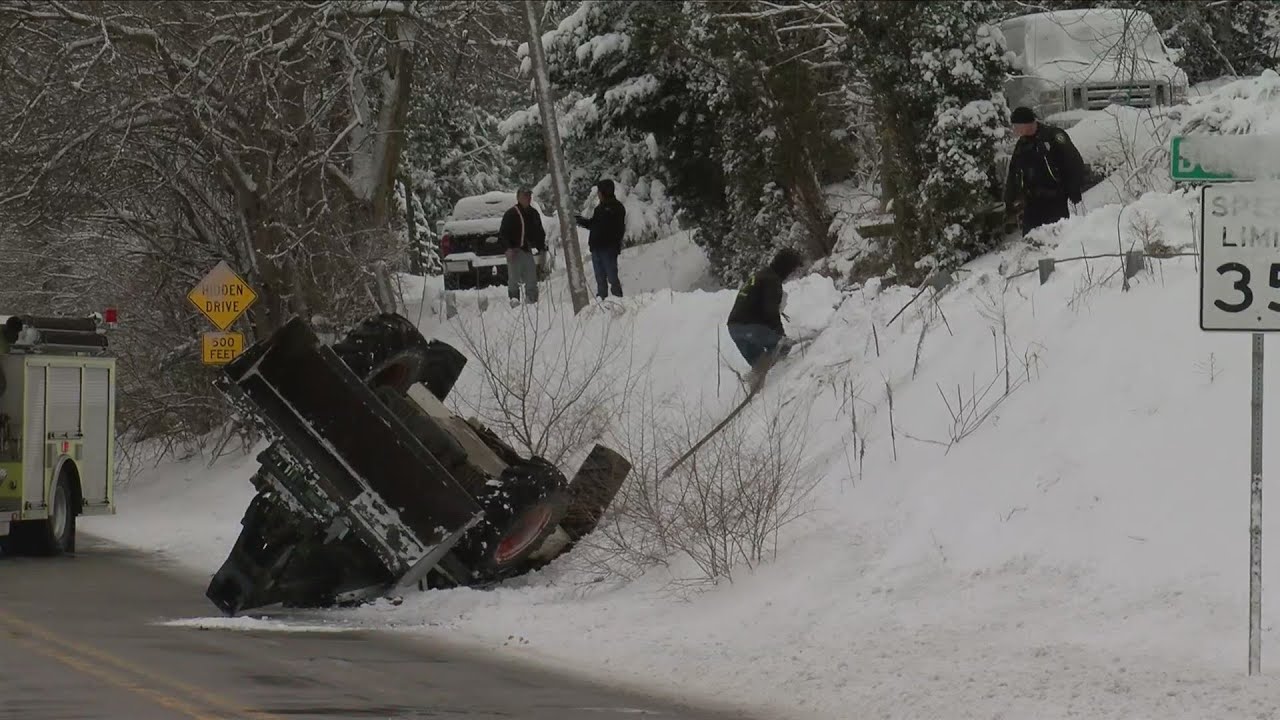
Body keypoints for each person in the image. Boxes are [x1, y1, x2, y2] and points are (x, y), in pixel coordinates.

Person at [1003, 106, 1086, 236]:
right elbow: (1014, 172)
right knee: (1031, 239)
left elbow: (1073, 162)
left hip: (1055, 199)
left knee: (1056, 238)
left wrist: (1074, 188)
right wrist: (1009, 200)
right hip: (1032, 202)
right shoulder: (1022, 144)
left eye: (1017, 126)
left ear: (1027, 123)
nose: (1015, 130)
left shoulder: (1053, 136)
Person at [726, 247, 805, 380]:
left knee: (761, 366)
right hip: (750, 326)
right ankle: (785, 381)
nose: (792, 275)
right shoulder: (772, 281)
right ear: (786, 267)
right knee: (781, 347)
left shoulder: (761, 275)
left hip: (735, 329)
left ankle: (757, 389)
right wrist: (780, 335)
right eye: (793, 270)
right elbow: (771, 311)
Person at [575, 179, 627, 300]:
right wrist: (581, 221)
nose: (598, 194)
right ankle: (601, 302)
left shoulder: (616, 208)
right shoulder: (600, 208)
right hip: (596, 248)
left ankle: (618, 300)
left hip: (608, 249)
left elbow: (618, 230)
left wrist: (614, 245)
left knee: (612, 278)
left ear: (604, 192)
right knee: (600, 279)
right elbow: (593, 224)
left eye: (599, 191)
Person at [499, 187, 547, 305]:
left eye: (529, 196)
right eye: (525, 196)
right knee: (513, 279)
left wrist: (541, 248)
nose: (528, 198)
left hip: (527, 250)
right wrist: (508, 248)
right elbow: (503, 233)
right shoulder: (511, 214)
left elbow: (539, 232)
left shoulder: (534, 213)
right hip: (514, 251)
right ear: (518, 197)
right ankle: (514, 300)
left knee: (531, 278)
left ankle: (531, 301)